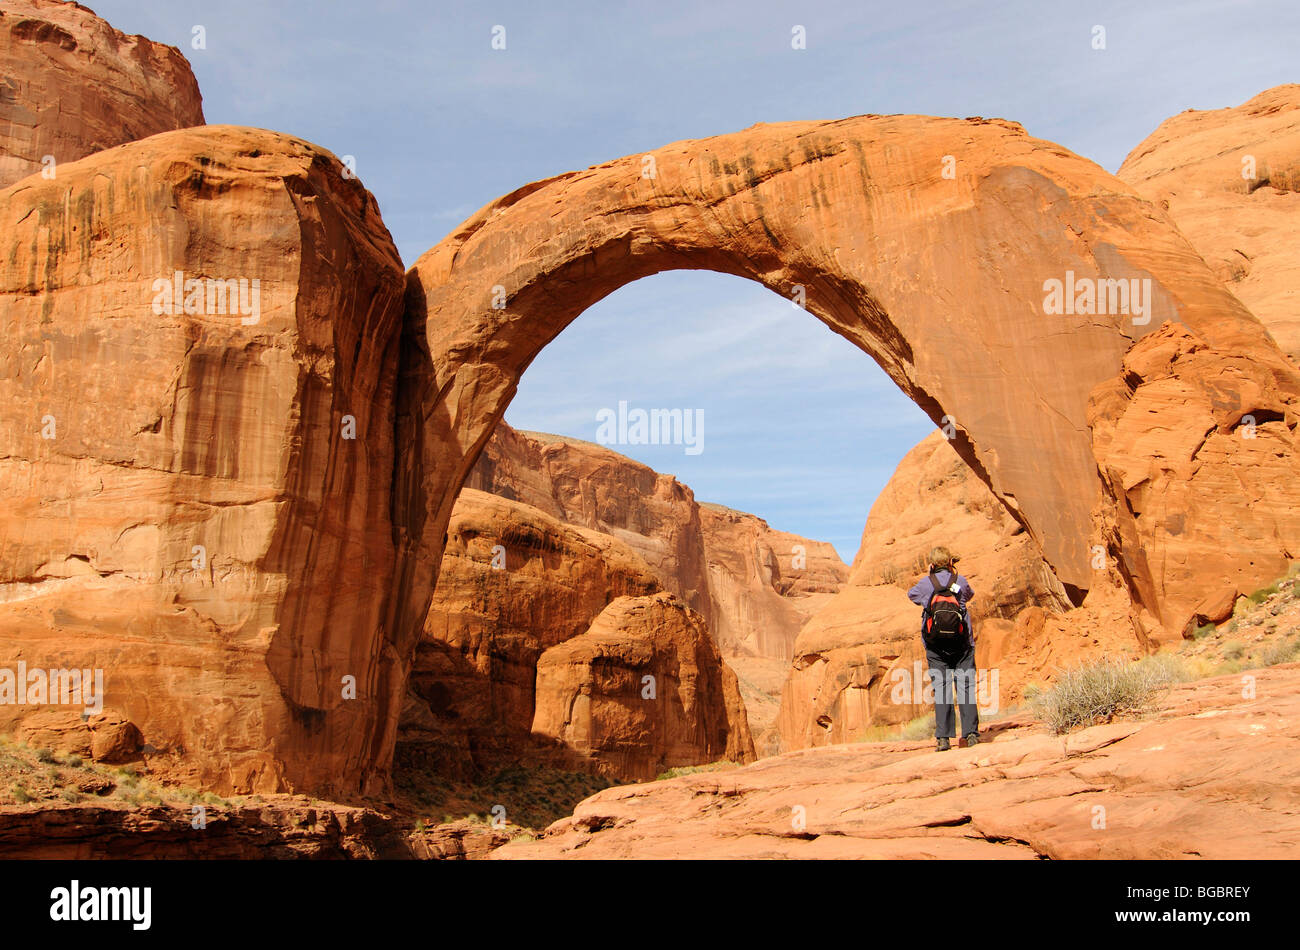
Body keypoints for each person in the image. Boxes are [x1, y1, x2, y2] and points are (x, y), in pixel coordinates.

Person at [907, 546, 980, 751]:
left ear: (931, 564)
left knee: (942, 688)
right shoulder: (961, 581)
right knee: (965, 687)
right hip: (962, 643)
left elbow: (911, 595)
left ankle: (943, 739)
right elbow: (970, 595)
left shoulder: (926, 583)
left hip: (935, 646)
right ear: (950, 563)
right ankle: (971, 734)